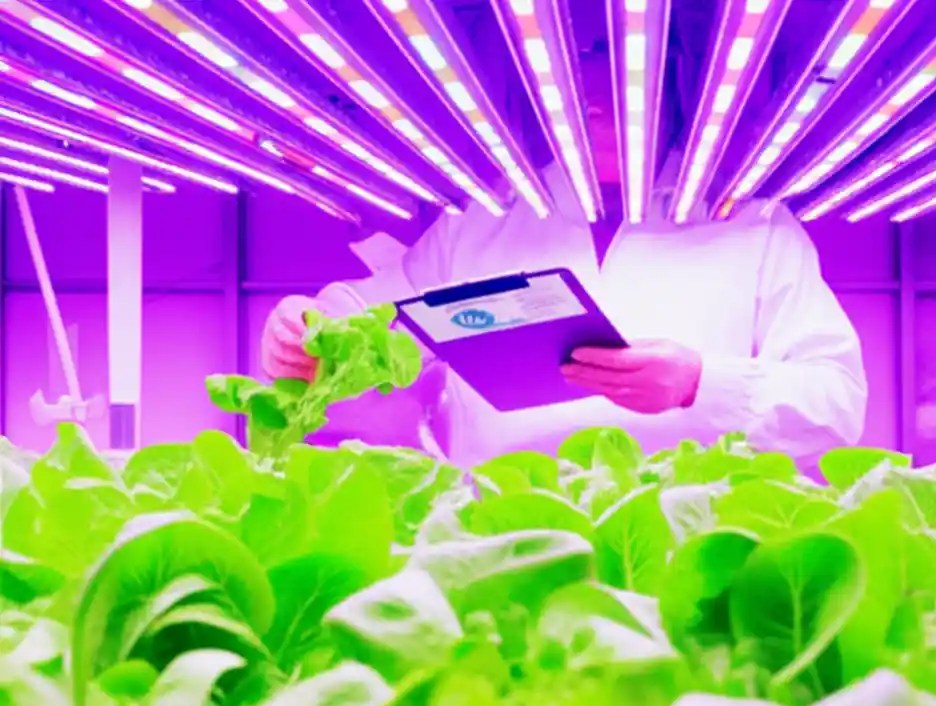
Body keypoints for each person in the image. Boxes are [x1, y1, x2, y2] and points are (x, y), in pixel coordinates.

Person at [260, 45, 869, 475]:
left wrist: (700, 384)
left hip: (691, 550)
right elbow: (378, 320)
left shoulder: (754, 224)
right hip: (503, 544)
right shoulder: (481, 222)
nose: (595, 103)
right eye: (580, 84)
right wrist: (310, 329)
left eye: (618, 80)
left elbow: (837, 404)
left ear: (671, 92)